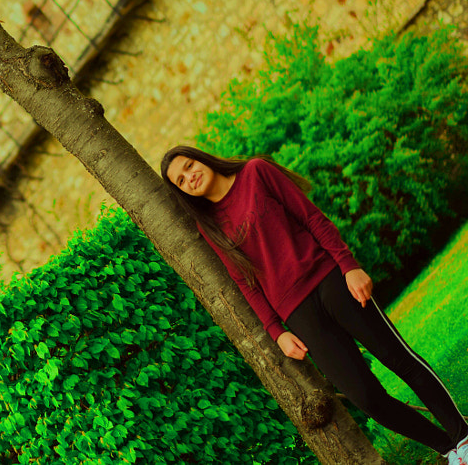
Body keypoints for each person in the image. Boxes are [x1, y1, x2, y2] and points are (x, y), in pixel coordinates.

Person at [160, 145, 468, 465]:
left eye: (188, 166)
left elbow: (311, 217)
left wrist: (349, 266)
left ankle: (463, 437)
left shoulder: (255, 172)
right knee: (366, 398)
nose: (189, 178)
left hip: (331, 281)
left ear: (201, 158)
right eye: (180, 181)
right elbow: (244, 283)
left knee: (400, 360)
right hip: (298, 313)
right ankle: (447, 448)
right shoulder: (208, 226)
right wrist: (276, 331)